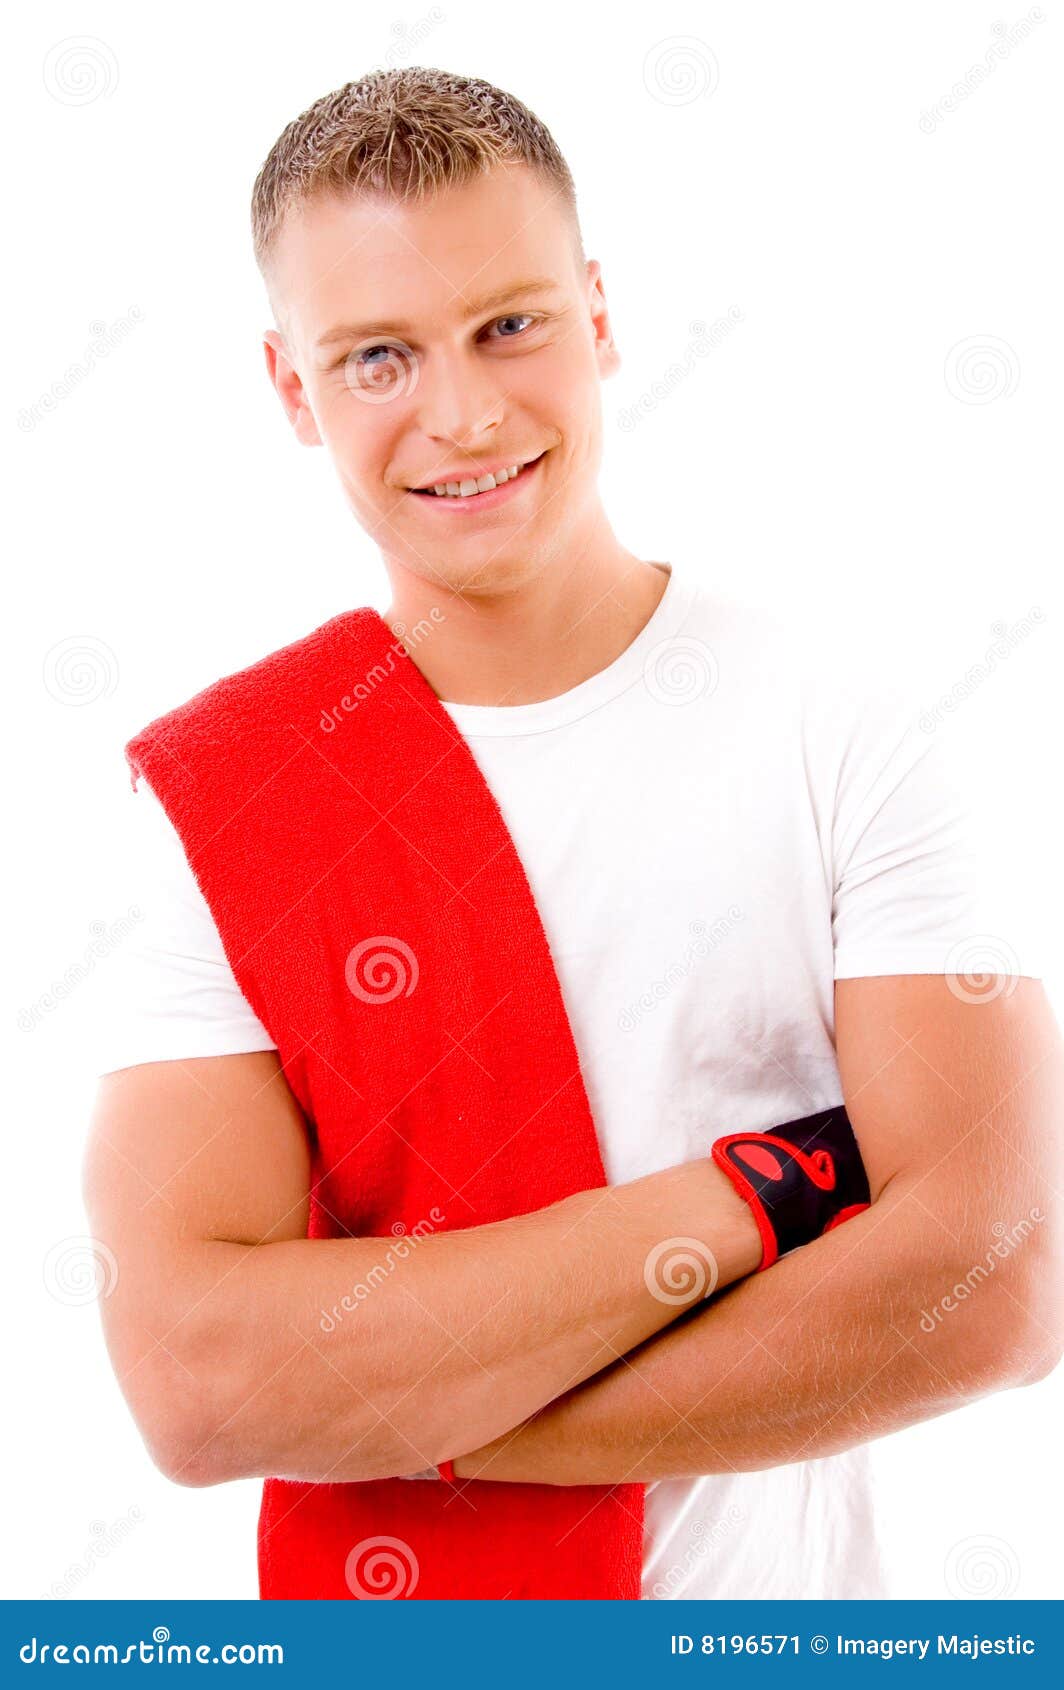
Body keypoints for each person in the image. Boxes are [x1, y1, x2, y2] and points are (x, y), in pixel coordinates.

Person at [83, 67, 1062, 1602]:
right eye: (378, 356)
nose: (463, 413)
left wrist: (424, 1416)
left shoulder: (836, 724)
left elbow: (999, 1281)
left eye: (509, 324)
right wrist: (760, 1192)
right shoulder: (238, 792)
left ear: (599, 313)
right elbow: (200, 1379)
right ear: (291, 388)